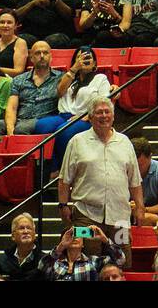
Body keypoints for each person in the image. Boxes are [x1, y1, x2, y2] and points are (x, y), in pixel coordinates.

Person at [58, 98, 144, 263]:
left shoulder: (125, 142)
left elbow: (135, 181)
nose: (103, 115)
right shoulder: (77, 142)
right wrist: (63, 205)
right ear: (90, 117)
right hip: (86, 216)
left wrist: (140, 207)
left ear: (113, 116)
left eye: (107, 112)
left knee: (122, 260)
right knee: (88, 259)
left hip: (120, 217)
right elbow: (64, 179)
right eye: (99, 112)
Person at [47, 221, 127, 281]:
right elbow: (41, 267)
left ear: (83, 244)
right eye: (71, 235)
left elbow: (120, 260)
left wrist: (105, 239)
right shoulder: (56, 263)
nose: (75, 237)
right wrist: (61, 246)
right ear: (63, 240)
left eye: (78, 234)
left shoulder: (93, 261)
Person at [0, 213, 47, 281]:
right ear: (13, 236)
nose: (26, 231)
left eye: (29, 228)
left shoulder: (45, 261)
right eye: (21, 228)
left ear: (34, 234)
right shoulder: (1, 261)